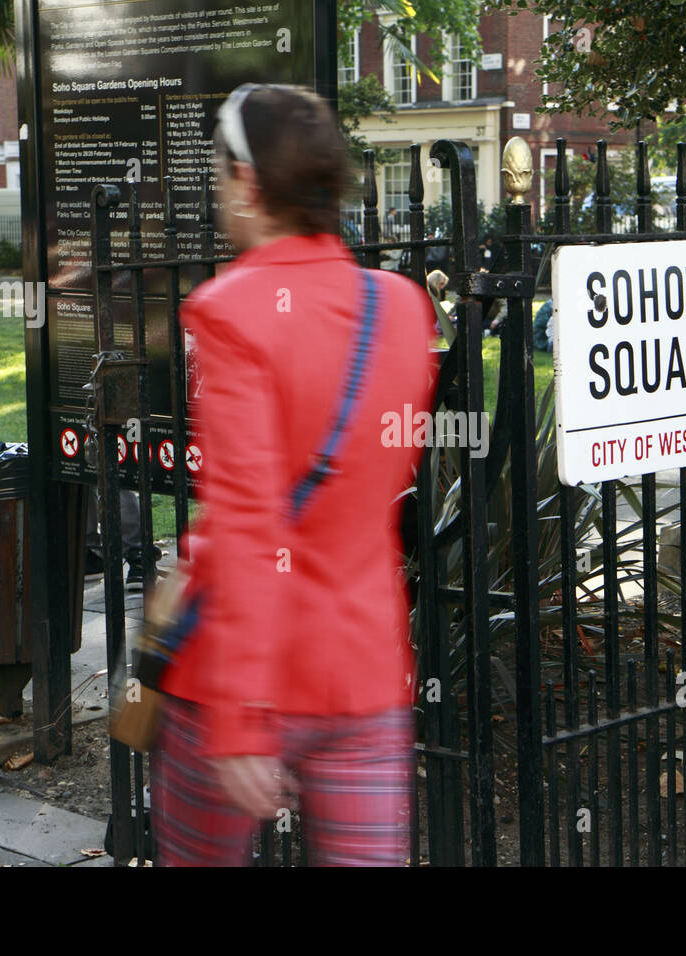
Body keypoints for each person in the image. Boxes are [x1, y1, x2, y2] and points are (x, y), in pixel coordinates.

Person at [152, 83, 436, 866]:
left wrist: (242, 716)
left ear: (247, 182)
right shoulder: (404, 309)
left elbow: (250, 524)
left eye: (217, 173)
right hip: (365, 676)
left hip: (240, 678)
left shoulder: (229, 311)